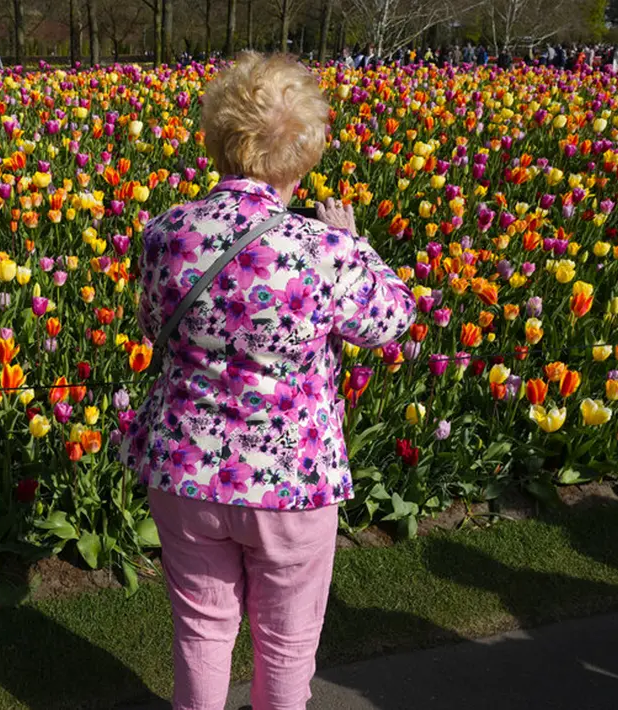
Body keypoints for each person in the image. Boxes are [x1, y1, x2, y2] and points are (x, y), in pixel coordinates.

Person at [121, 52, 415, 710]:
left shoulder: (166, 233)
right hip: (291, 480)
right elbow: (389, 321)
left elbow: (150, 323)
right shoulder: (323, 249)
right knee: (284, 642)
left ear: (218, 139)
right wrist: (355, 242)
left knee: (201, 631)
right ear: (303, 154)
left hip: (187, 471)